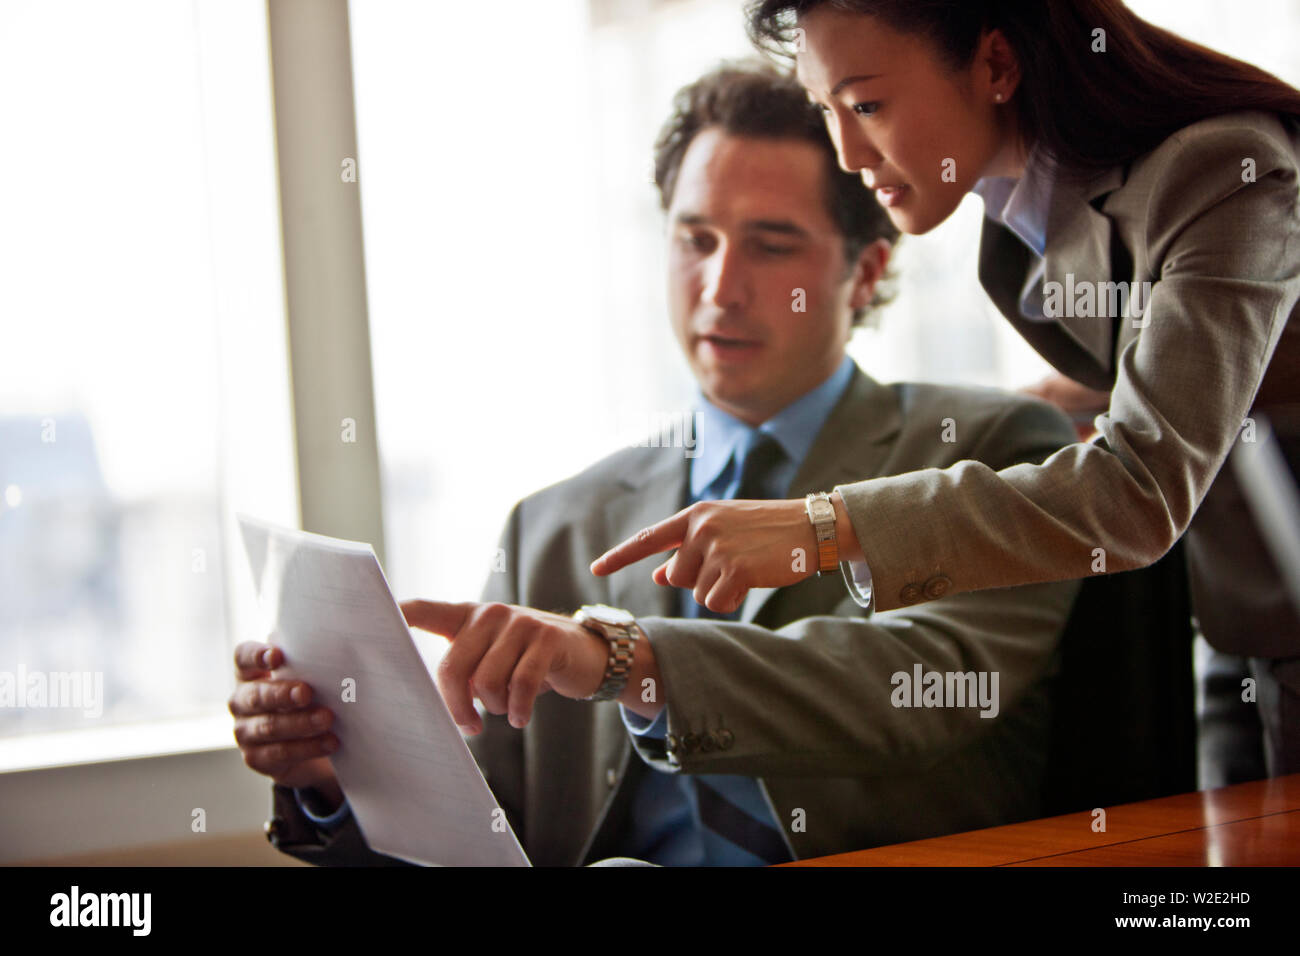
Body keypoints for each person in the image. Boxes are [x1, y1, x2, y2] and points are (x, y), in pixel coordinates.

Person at [231, 63, 1081, 866]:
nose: (720, 287)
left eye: (770, 245)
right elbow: (492, 830)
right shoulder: (554, 524)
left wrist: (620, 658)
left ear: (866, 272)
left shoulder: (993, 449)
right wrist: (335, 779)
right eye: (696, 239)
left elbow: (918, 685)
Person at [592, 0, 1300, 778]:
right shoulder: (1022, 217)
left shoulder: (1222, 171)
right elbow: (1197, 359)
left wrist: (823, 527)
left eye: (866, 104)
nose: (850, 154)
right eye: (826, 110)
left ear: (997, 65)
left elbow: (1137, 489)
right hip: (1246, 613)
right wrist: (1072, 398)